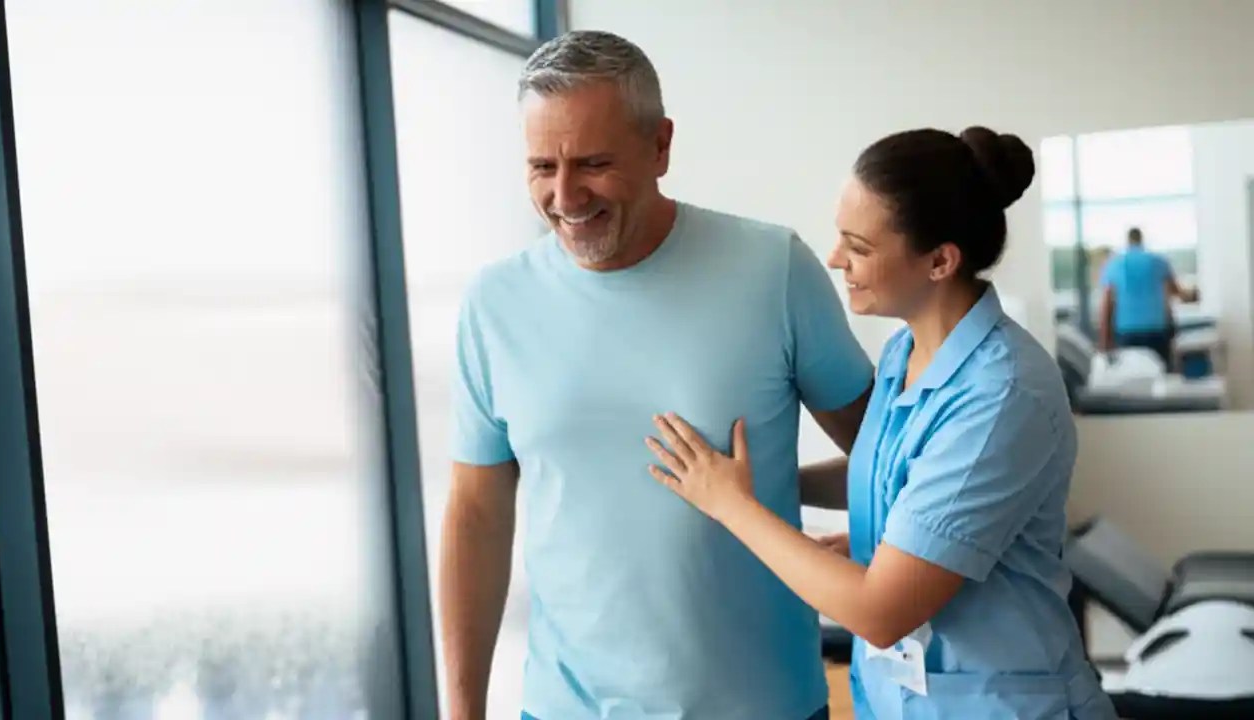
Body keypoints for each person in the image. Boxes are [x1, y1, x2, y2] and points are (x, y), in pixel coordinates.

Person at [439, 30, 874, 720]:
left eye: (594, 163)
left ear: (661, 146)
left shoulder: (772, 269)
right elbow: (477, 513)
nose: (564, 195)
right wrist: (462, 711)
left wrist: (864, 528)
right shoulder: (494, 303)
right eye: (540, 167)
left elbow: (894, 457)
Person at [645, 127, 1119, 718]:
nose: (836, 259)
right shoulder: (905, 353)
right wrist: (766, 479)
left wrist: (734, 505)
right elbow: (896, 470)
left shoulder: (1002, 394)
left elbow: (880, 611)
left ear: (941, 260)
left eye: (859, 246)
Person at [1099, 226, 1198, 369]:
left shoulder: (1114, 264)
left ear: (1128, 241)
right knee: (1161, 375)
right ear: (1142, 239)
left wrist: (1104, 341)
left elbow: (1107, 305)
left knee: (1131, 376)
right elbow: (1176, 292)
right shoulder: (1159, 262)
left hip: (1127, 331)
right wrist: (1194, 295)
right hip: (1156, 329)